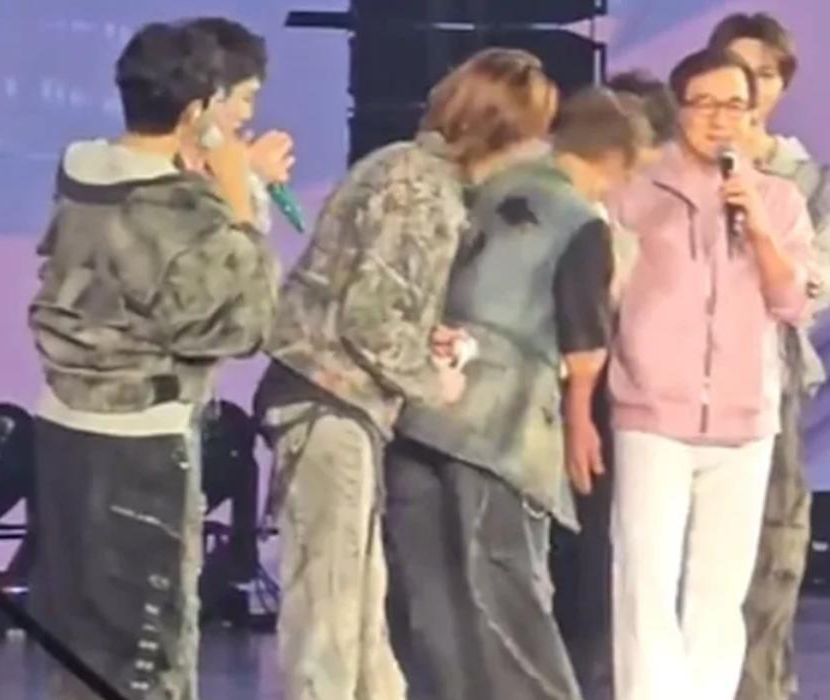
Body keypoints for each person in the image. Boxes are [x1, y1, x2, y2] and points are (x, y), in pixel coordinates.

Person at [252, 48, 558, 700]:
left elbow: (379, 299)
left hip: (349, 408)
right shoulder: (416, 189)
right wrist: (432, 378)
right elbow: (368, 320)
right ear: (501, 130)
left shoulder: (415, 176)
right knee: (331, 608)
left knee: (362, 610)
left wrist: (426, 334)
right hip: (328, 403)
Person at [27, 21, 278, 700]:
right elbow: (243, 322)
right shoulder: (181, 206)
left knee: (82, 640)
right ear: (197, 111)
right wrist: (239, 198)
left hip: (64, 425)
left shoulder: (80, 166)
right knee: (146, 647)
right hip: (140, 439)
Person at [384, 86, 648, 700]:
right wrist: (579, 422)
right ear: (617, 160)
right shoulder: (581, 221)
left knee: (431, 593)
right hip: (502, 427)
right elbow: (584, 341)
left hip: (422, 408)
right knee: (507, 590)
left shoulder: (482, 188)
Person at [606, 47, 815, 700]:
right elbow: (604, 291)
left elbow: (793, 302)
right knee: (646, 585)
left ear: (753, 114)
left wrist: (759, 226)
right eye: (703, 104)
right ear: (678, 109)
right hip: (652, 413)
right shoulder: (636, 191)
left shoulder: (778, 199)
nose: (719, 118)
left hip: (744, 420)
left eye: (734, 105)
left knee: (719, 596)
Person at [706, 14, 830, 700]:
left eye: (766, 74)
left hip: (774, 371)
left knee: (777, 542)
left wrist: (779, 281)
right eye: (739, 70)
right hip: (690, 380)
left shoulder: (803, 175)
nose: (752, 87)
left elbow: (825, 273)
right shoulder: (685, 161)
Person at [552, 69, 679, 700]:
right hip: (565, 385)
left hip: (620, 388)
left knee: (600, 545)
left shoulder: (652, 210)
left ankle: (590, 672)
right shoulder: (569, 209)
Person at [179, 17, 295, 235]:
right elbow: (232, 252)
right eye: (246, 98)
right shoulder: (166, 173)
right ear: (213, 93)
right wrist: (249, 177)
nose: (248, 114)